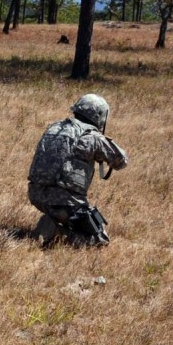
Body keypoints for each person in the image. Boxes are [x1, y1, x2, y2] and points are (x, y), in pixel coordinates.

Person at [28, 93, 129, 247]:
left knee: (69, 215)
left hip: (36, 195)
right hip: (65, 201)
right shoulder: (92, 137)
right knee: (99, 241)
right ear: (99, 116)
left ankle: (52, 219)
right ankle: (57, 233)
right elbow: (121, 161)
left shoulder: (54, 127)